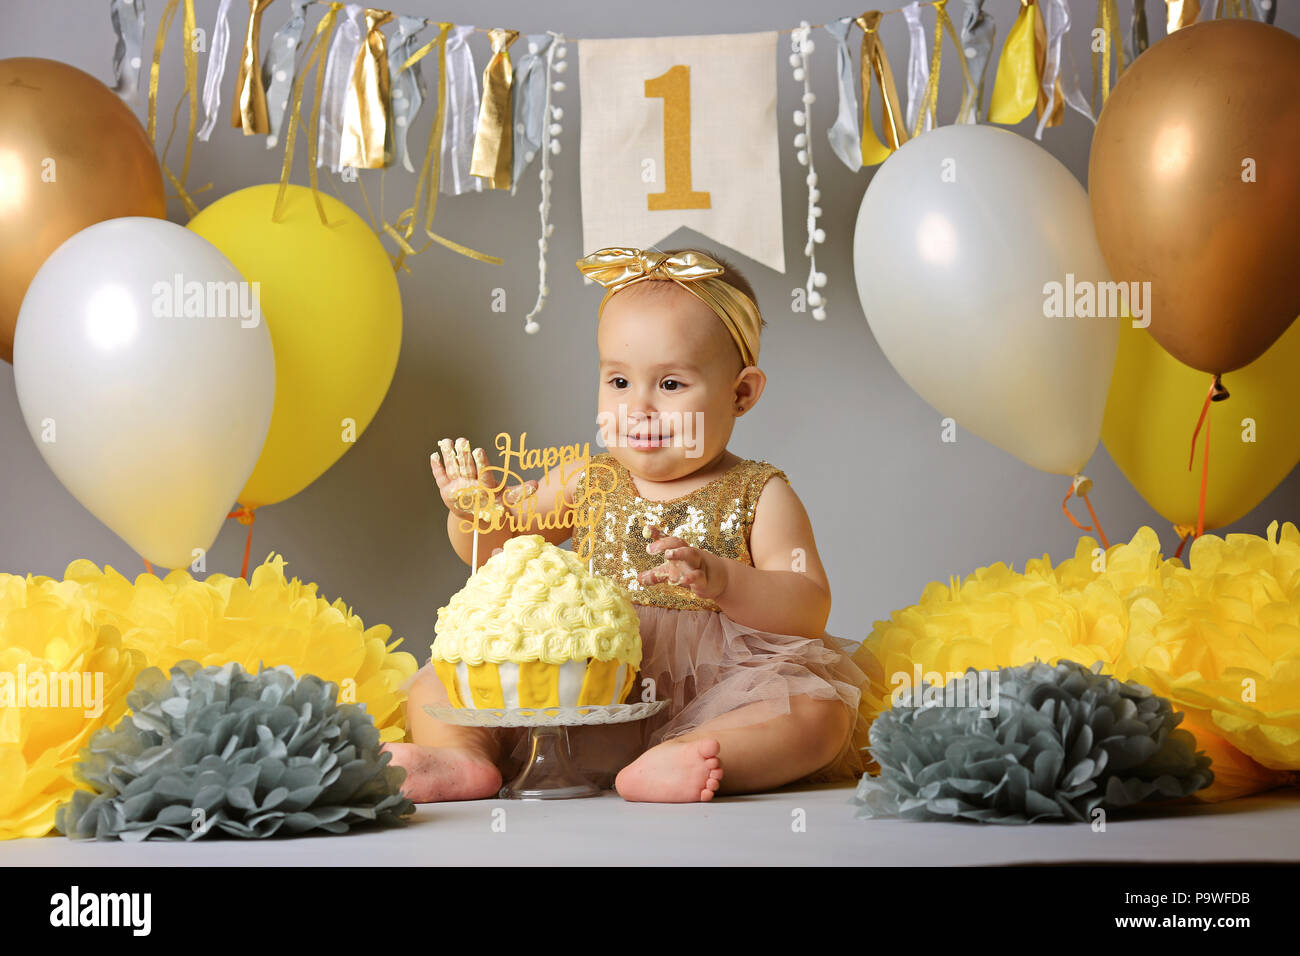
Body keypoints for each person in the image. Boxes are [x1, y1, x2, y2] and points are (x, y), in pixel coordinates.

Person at [383, 246, 871, 803]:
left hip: (712, 692)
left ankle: (691, 756)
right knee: (439, 679)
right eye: (618, 382)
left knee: (818, 713)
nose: (637, 408)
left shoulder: (761, 493)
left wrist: (726, 582)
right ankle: (463, 758)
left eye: (669, 385)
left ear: (741, 393)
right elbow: (497, 549)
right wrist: (475, 511)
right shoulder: (586, 479)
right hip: (578, 684)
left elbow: (808, 607)